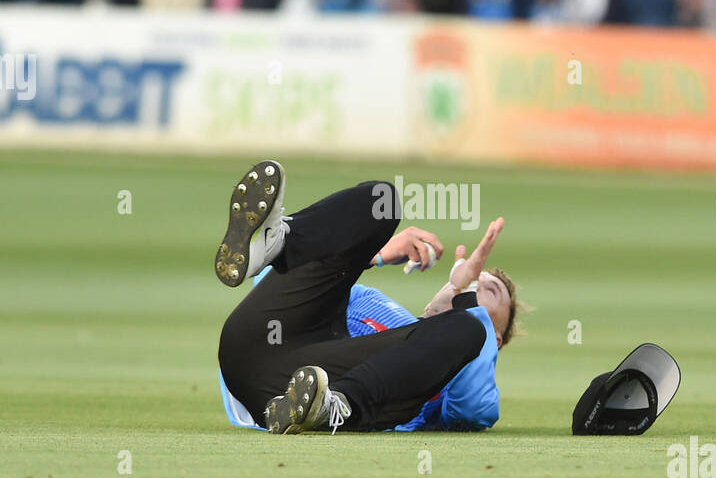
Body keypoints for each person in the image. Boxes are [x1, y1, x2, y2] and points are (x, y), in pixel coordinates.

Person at [214, 161, 516, 434]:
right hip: (252, 348)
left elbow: (475, 410)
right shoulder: (372, 304)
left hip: (282, 398)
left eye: (489, 290)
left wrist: (467, 296)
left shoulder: (455, 381)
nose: (469, 279)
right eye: (472, 277)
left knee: (466, 329)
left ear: (498, 340)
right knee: (382, 200)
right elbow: (282, 292)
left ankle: (334, 406)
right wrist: (371, 256)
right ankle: (279, 242)